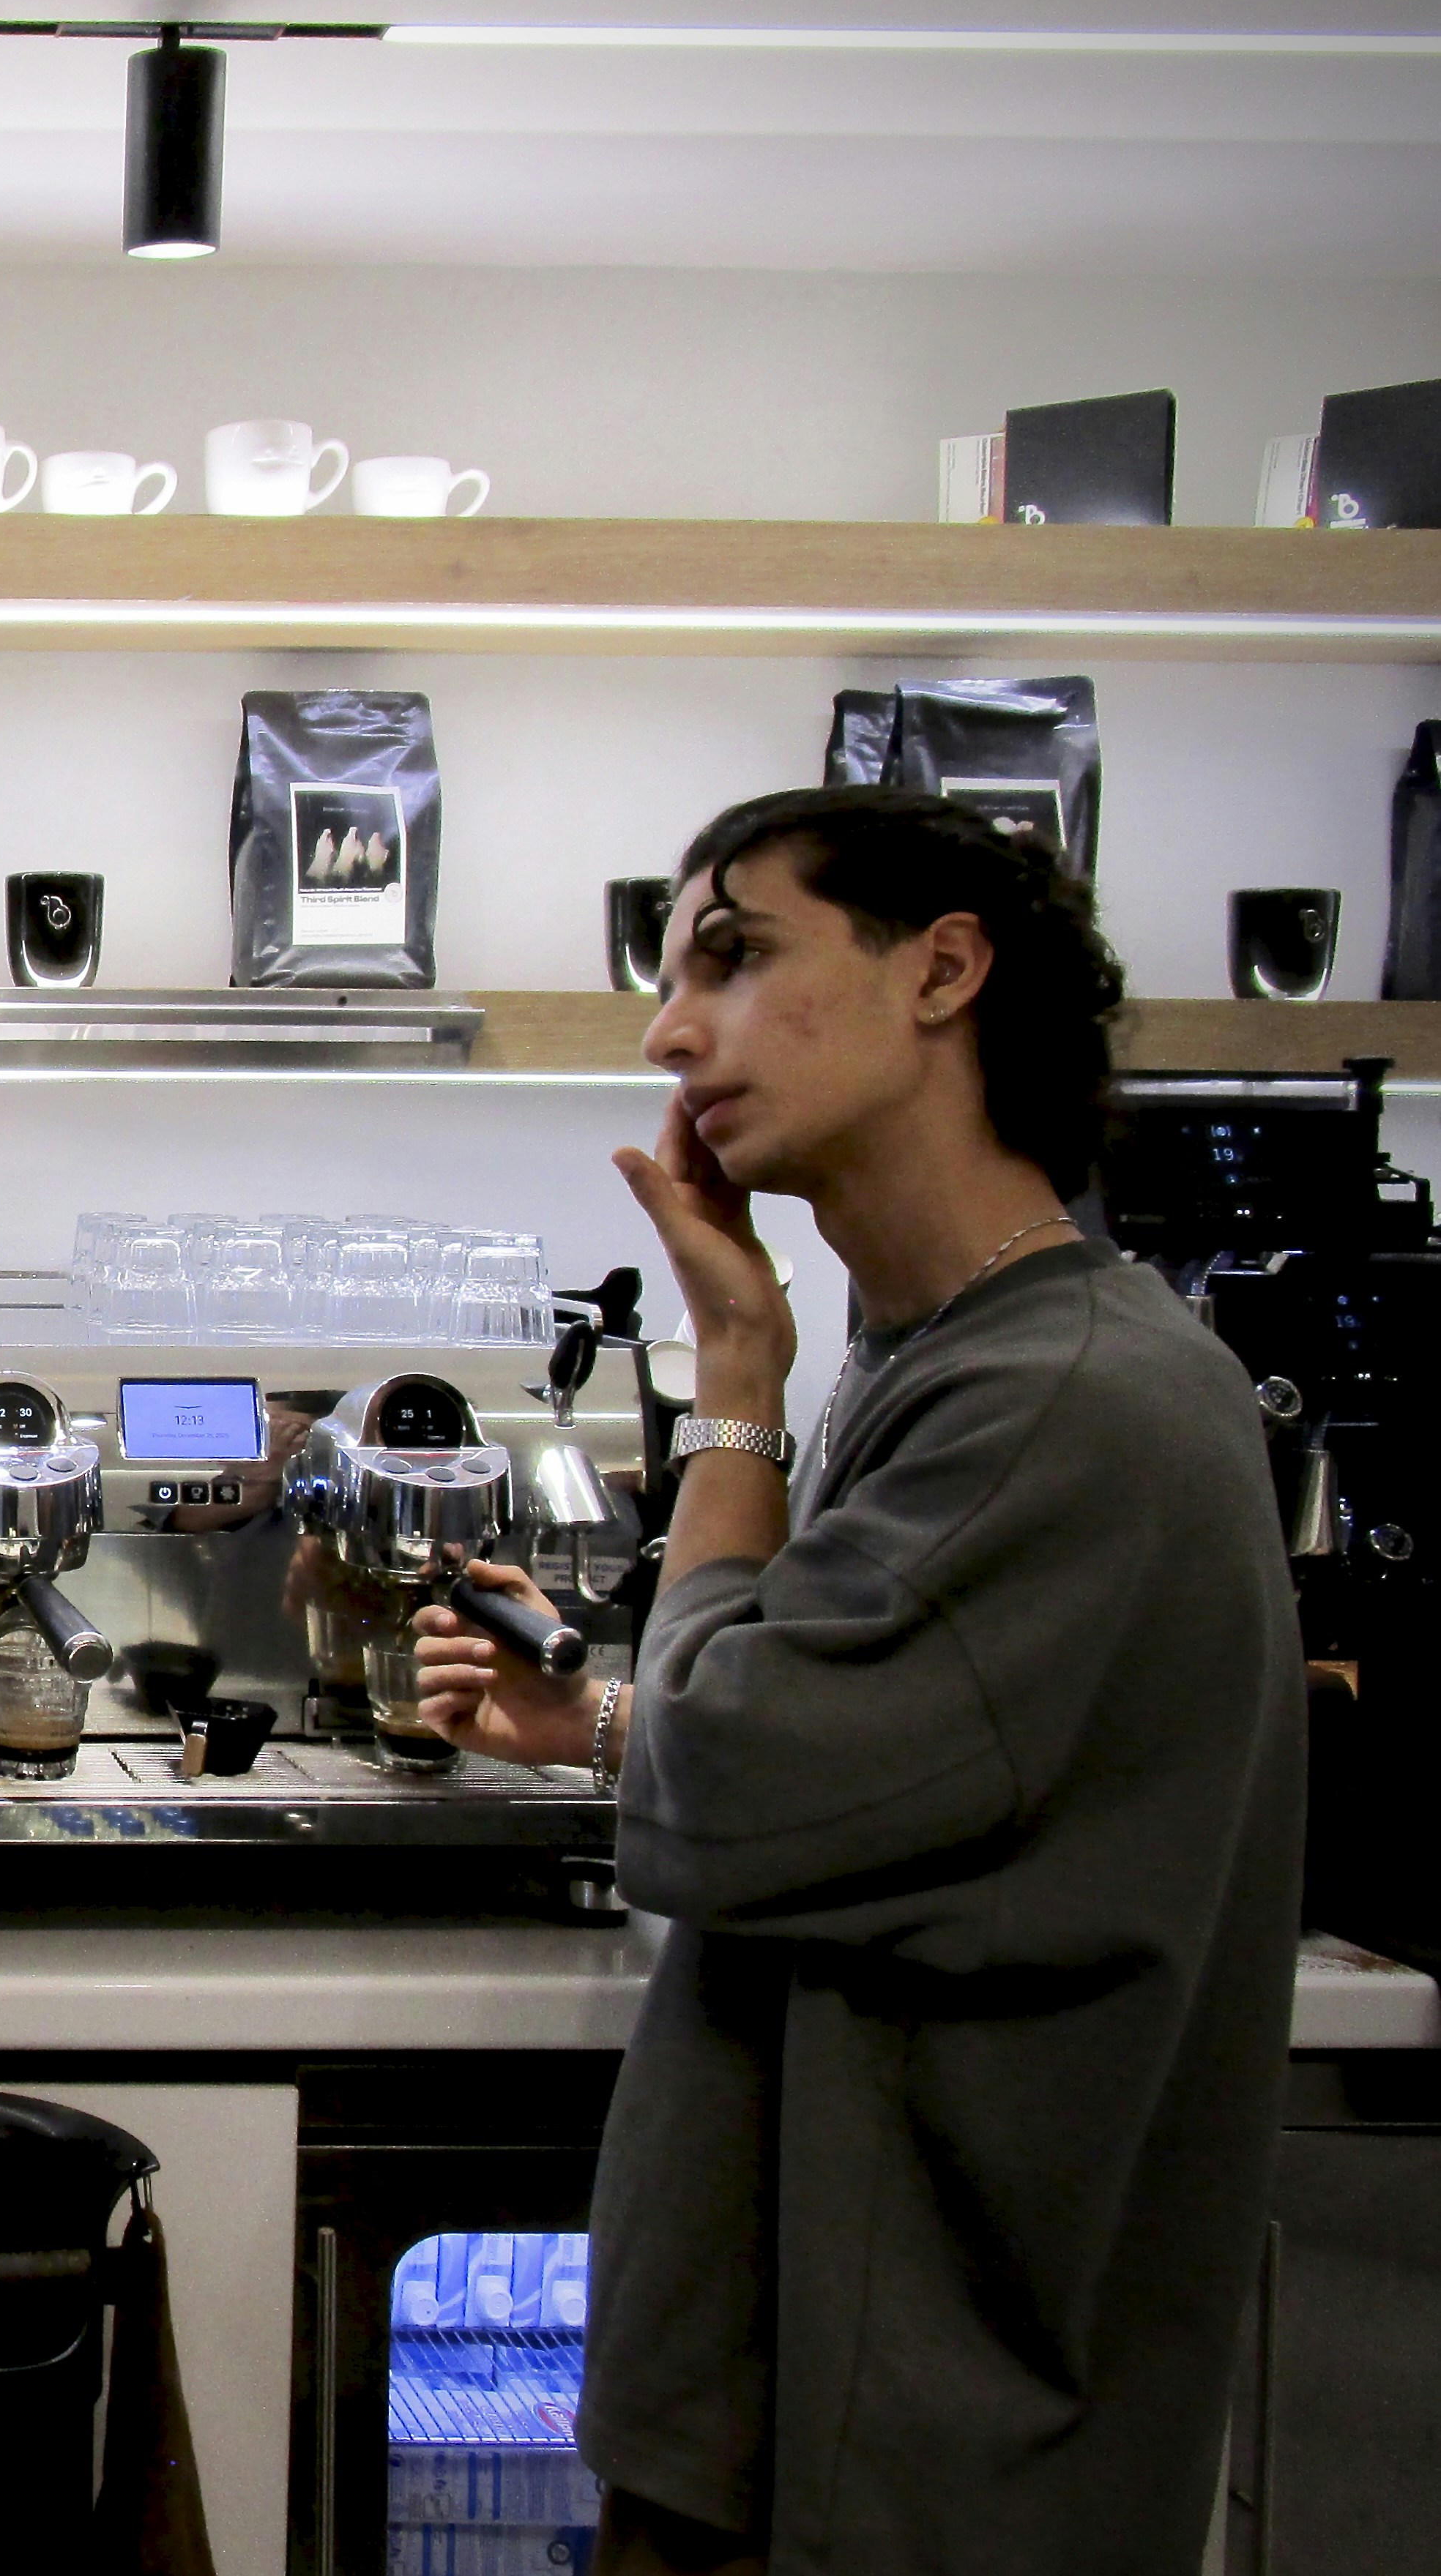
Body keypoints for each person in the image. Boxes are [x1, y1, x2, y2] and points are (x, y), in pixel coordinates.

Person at [415, 787, 1303, 2576]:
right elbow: (865, 1774)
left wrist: (737, 1371)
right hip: (816, 2411)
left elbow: (722, 1793)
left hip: (902, 2449)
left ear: (944, 971)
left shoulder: (1069, 1398)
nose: (673, 1031)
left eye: (734, 957)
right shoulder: (954, 1355)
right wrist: (597, 1715)